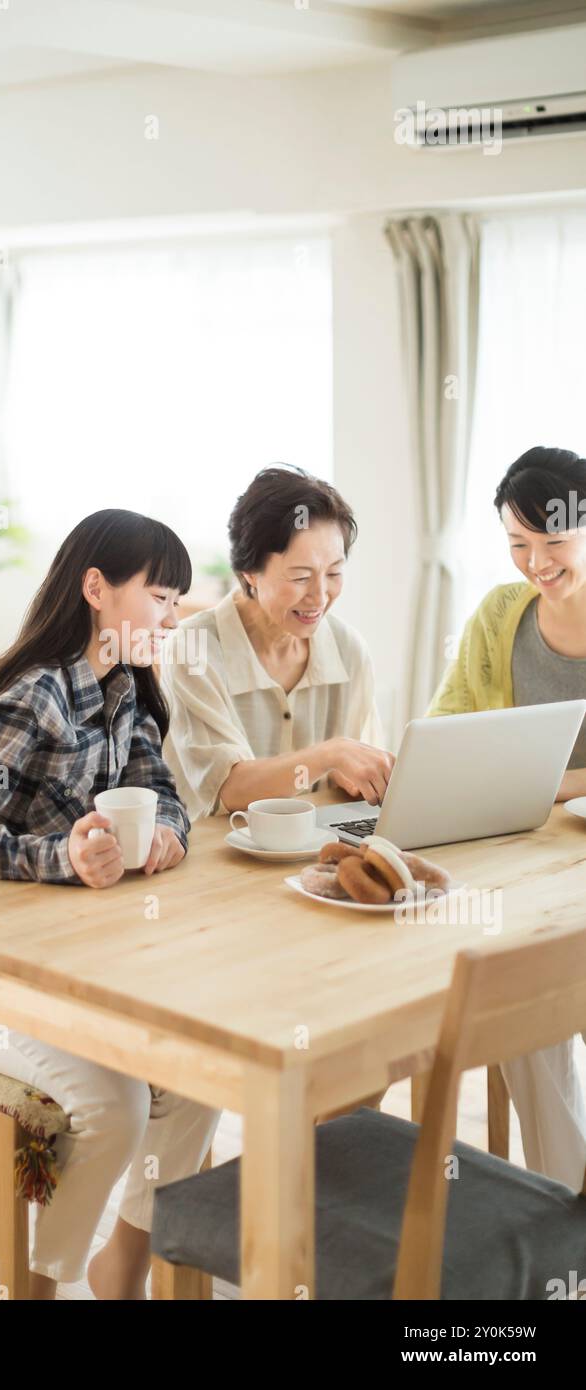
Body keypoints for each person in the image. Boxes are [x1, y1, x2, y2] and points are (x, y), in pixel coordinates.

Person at [0, 508, 220, 1299]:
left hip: (67, 969)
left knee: (199, 1078)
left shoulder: (125, 691)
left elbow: (164, 794)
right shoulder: (28, 699)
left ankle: (123, 1265)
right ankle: (37, 1287)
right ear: (96, 589)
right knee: (115, 1106)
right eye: (160, 597)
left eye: (179, 602)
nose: (172, 618)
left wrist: (167, 834)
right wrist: (62, 860)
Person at [428, 445, 586, 1190]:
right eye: (518, 544)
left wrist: (544, 784)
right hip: (526, 869)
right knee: (523, 994)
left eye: (553, 541)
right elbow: (449, 731)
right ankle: (571, 1219)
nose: (536, 563)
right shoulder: (500, 615)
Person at [159, 464, 395, 820]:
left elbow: (362, 771)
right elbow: (229, 789)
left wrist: (360, 774)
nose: (320, 596)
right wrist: (329, 755)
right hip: (214, 861)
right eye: (300, 576)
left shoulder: (348, 650)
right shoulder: (193, 650)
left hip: (317, 849)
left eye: (334, 573)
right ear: (249, 573)